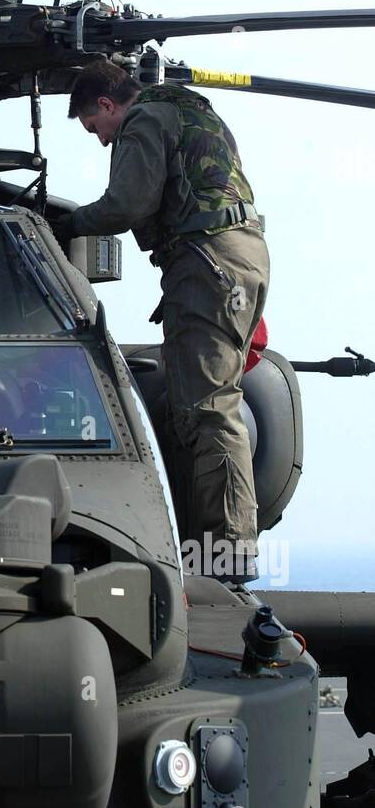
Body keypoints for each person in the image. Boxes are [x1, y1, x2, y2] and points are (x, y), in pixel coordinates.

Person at [54, 58, 269, 582]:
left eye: (94, 126)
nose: (103, 140)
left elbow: (127, 205)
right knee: (194, 404)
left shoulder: (144, 119)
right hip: (233, 257)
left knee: (208, 410)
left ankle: (227, 562)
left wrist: (67, 223)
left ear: (107, 104)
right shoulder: (186, 106)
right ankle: (205, 553)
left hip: (207, 265)